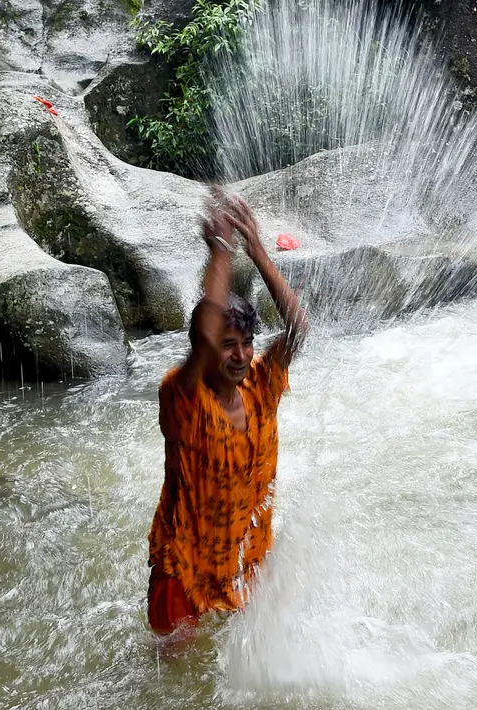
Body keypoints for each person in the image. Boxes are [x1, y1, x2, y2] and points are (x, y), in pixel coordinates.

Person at [146, 189, 309, 637]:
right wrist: (220, 251)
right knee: (176, 669)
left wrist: (258, 253)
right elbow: (203, 337)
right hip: (184, 567)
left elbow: (298, 329)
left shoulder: (260, 386)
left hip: (243, 559)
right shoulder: (184, 398)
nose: (239, 356)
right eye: (227, 345)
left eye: (246, 343)